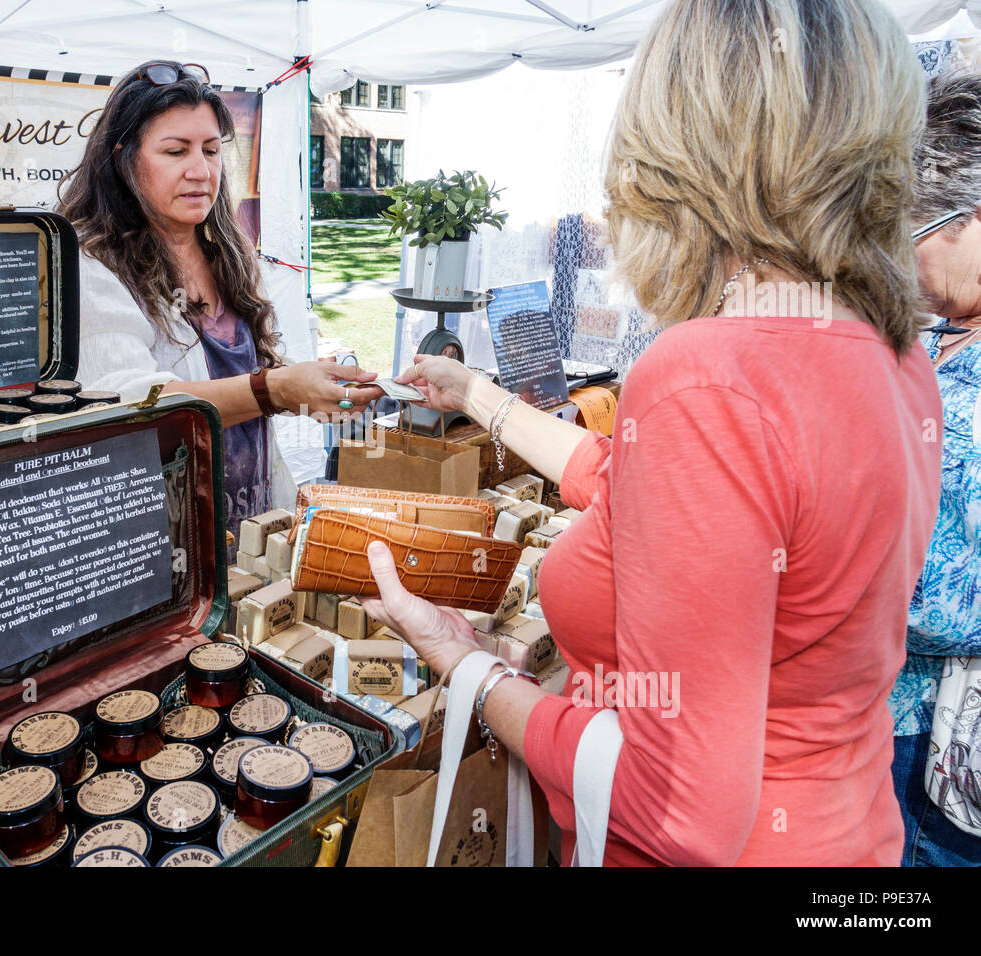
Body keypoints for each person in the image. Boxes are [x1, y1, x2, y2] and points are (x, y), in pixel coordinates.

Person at [361, 0, 942, 865]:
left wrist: (471, 670)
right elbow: (627, 479)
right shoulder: (892, 354)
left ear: (679, 143)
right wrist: (475, 391)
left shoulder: (708, 371)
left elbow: (677, 810)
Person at [58, 61, 380, 543]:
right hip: (161, 537)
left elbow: (241, 376)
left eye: (211, 150)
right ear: (123, 159)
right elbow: (133, 407)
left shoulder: (227, 252)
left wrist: (316, 391)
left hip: (250, 524)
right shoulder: (90, 266)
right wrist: (278, 389)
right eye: (175, 151)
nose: (200, 170)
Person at [889, 69, 981, 867]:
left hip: (941, 744)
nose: (903, 263)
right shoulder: (933, 339)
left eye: (915, 232)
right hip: (892, 720)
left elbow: (956, 600)